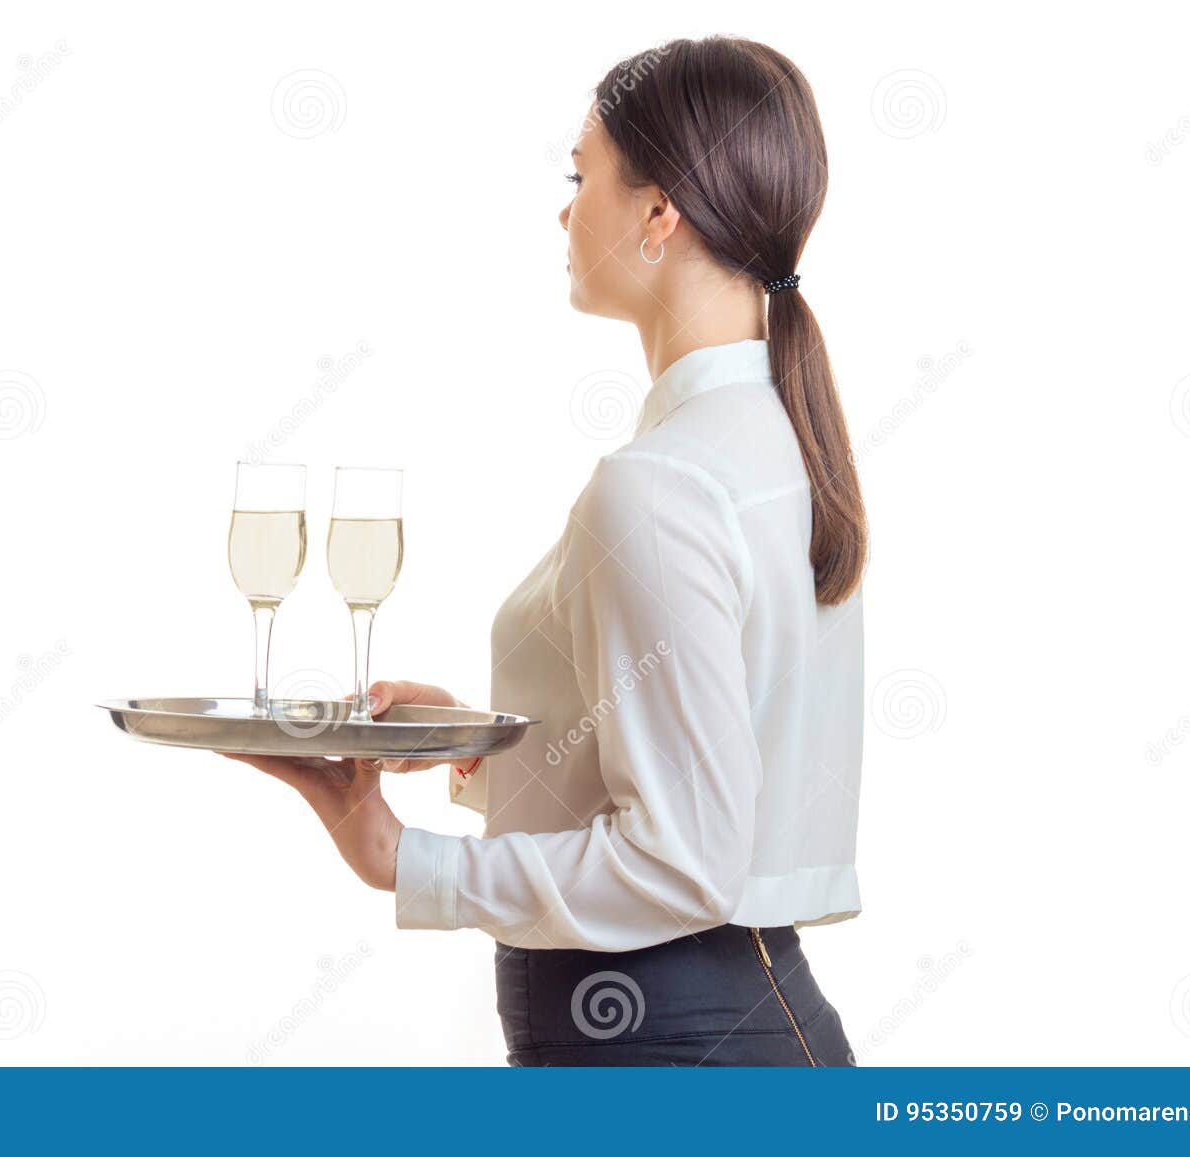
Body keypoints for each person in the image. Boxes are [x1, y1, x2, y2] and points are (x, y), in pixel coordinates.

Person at [222, 35, 867, 1066]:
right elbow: (711, 768)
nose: (566, 211)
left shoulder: (661, 482)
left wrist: (403, 859)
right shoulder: (777, 446)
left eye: (583, 176)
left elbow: (684, 860)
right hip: (723, 1031)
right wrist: (498, 744)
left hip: (667, 1044)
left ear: (659, 214)